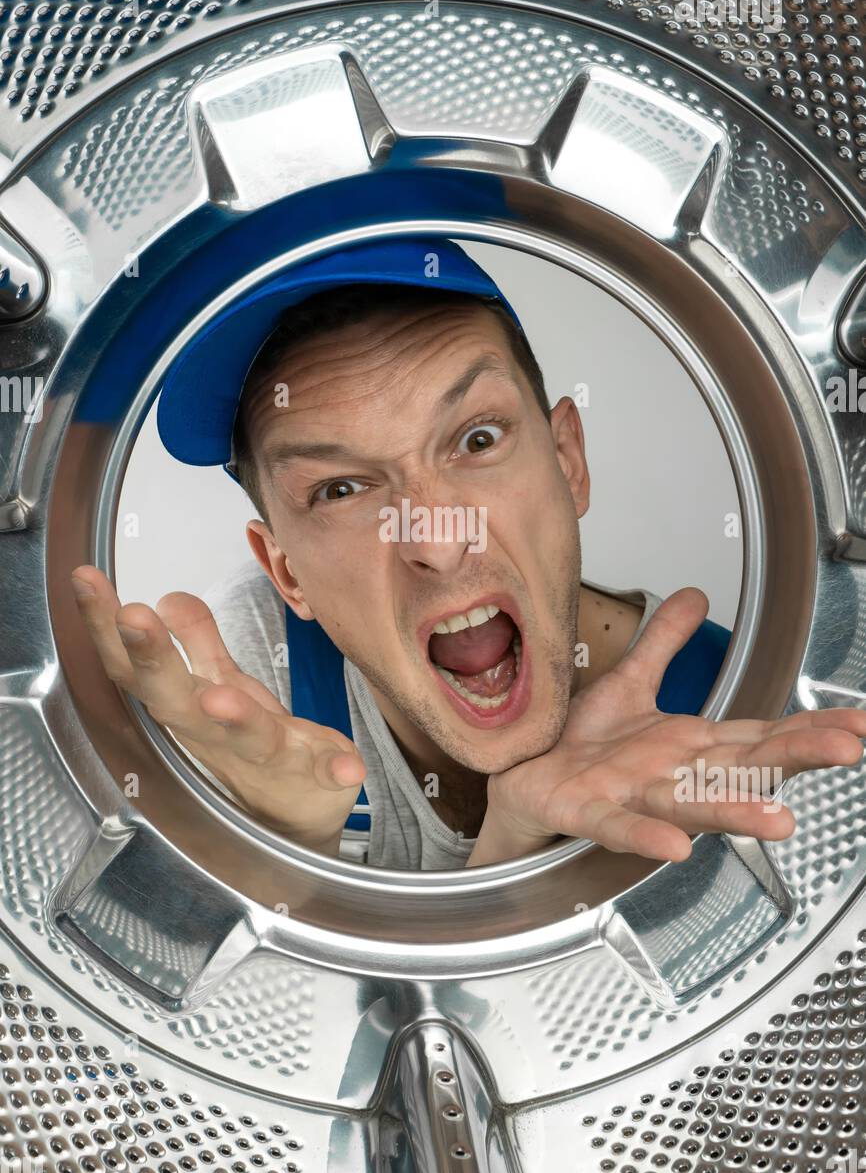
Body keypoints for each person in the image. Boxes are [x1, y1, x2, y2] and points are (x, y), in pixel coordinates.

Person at [71, 237, 866, 870]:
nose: (438, 543)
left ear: (568, 461)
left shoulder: (743, 720)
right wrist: (288, 852)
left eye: (476, 440)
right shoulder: (250, 694)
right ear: (285, 572)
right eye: (342, 490)